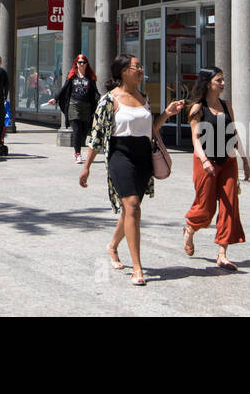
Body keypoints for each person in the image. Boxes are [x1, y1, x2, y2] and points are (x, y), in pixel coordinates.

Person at [80, 54, 186, 286]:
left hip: (143, 157)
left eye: (140, 66)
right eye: (136, 67)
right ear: (123, 71)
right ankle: (137, 267)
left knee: (130, 209)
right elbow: (97, 136)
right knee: (132, 206)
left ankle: (112, 245)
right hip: (120, 156)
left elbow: (150, 130)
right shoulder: (108, 101)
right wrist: (86, 167)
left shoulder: (143, 97)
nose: (140, 70)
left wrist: (167, 114)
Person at [183, 67, 249, 271]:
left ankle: (222, 254)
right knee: (206, 207)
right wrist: (204, 160)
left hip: (228, 160)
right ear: (208, 83)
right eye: (218, 80)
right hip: (206, 161)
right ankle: (190, 229)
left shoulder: (227, 105)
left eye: (223, 80)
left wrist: (245, 160)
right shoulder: (197, 108)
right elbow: (195, 138)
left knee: (230, 204)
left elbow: (234, 132)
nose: (222, 84)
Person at [48, 54, 99, 164]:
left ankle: (79, 146)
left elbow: (94, 92)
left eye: (84, 62)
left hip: (86, 106)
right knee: (76, 129)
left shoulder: (90, 77)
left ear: (86, 64)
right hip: (73, 104)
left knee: (84, 130)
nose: (82, 64)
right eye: (80, 62)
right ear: (76, 63)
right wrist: (55, 98)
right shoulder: (72, 76)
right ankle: (78, 154)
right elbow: (64, 88)